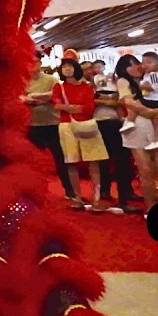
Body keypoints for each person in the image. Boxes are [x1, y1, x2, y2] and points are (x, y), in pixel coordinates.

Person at [115, 54, 158, 214]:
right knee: (145, 170)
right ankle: (151, 208)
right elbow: (127, 101)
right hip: (138, 128)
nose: (136, 67)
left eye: (138, 63)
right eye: (131, 65)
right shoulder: (124, 82)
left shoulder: (155, 77)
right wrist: (151, 112)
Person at [53, 59, 107, 211]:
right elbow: (57, 105)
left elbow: (89, 108)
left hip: (86, 125)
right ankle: (77, 197)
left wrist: (69, 107)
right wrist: (76, 108)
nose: (67, 69)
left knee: (93, 161)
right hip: (66, 125)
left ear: (75, 68)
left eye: (70, 66)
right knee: (71, 162)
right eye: (64, 67)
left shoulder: (87, 87)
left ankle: (96, 198)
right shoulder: (59, 87)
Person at [25, 56, 74, 199]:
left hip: (52, 123)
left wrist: (37, 96)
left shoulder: (51, 79)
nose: (33, 65)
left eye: (36, 62)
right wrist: (28, 99)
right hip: (32, 124)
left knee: (60, 157)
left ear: (40, 63)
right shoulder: (22, 80)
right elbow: (18, 97)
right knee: (34, 160)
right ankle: (36, 191)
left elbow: (58, 95)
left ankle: (69, 190)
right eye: (30, 62)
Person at [93, 63, 136, 213]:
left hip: (119, 122)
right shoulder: (92, 82)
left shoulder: (120, 82)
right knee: (104, 159)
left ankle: (125, 194)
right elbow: (91, 100)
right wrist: (109, 101)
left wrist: (107, 100)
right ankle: (105, 190)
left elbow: (121, 101)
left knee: (123, 160)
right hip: (99, 122)